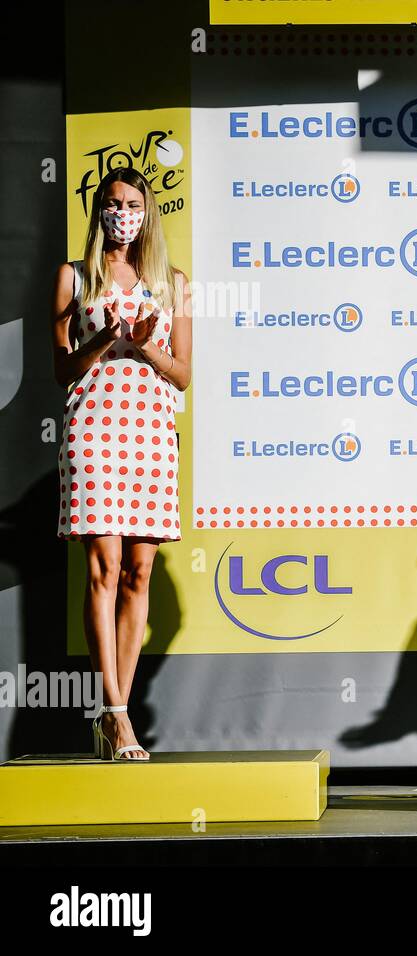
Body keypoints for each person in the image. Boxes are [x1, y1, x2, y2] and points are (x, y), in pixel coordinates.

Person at [51, 167, 192, 760]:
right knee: (104, 568)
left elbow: (184, 372)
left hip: (151, 432)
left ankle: (116, 714)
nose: (122, 213)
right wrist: (105, 337)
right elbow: (60, 370)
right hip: (94, 430)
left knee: (139, 572)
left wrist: (147, 343)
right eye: (112, 203)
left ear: (148, 211)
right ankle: (116, 717)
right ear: (98, 209)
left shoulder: (172, 282)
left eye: (133, 203)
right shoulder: (74, 276)